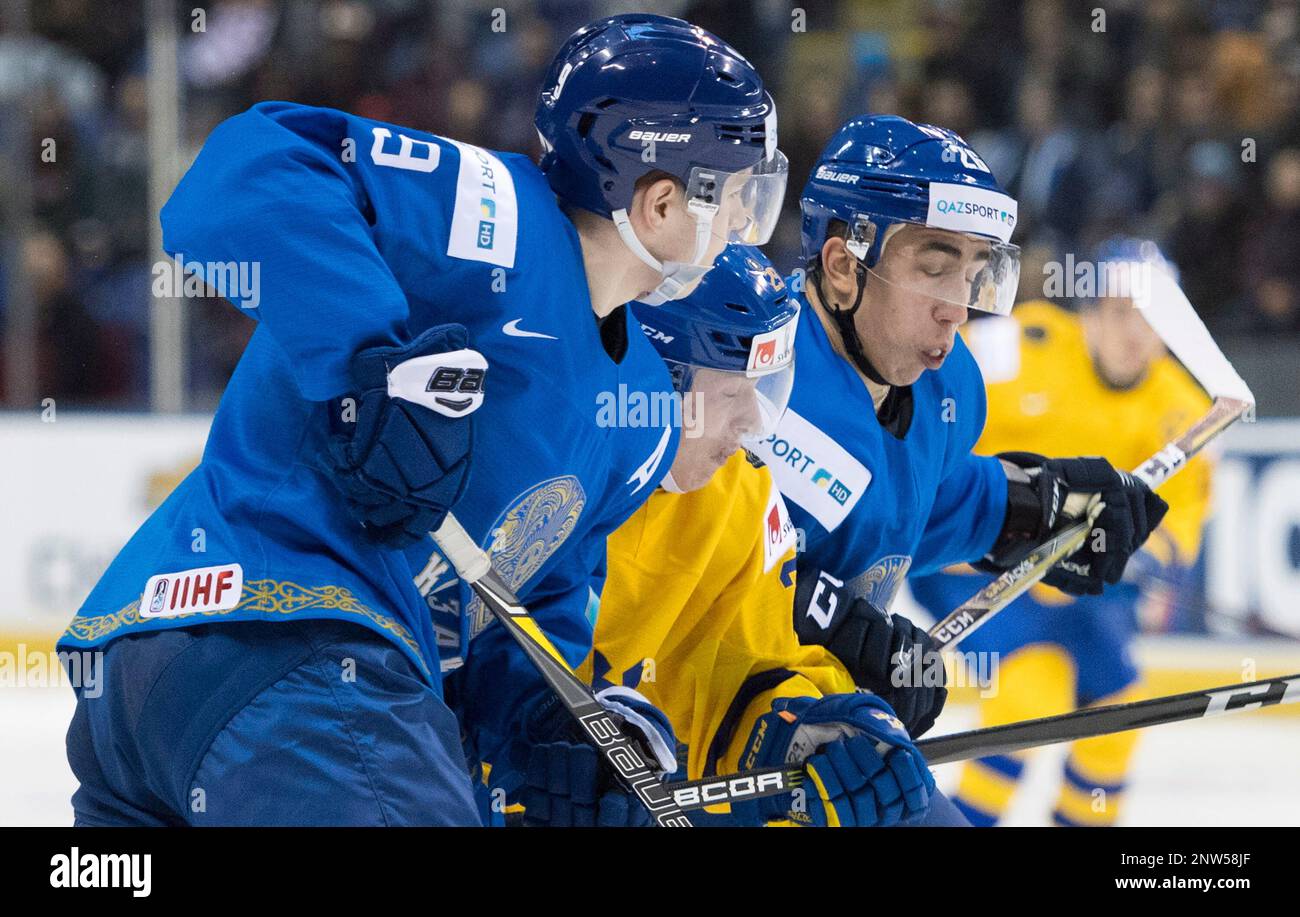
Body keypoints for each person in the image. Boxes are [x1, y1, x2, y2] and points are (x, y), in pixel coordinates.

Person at [59, 14, 787, 826]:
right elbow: (239, 174)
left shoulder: (641, 421)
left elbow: (533, 617)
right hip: (288, 645)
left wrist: (560, 737)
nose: (738, 229)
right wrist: (370, 366)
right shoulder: (497, 218)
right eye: (736, 195)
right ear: (659, 201)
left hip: (154, 691)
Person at [748, 115, 1167, 753]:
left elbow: (903, 505)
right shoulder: (742, 375)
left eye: (973, 272)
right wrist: (827, 623)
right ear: (841, 267)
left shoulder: (951, 388)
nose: (959, 306)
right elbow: (692, 563)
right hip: (701, 743)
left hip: (824, 730)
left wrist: (1034, 509)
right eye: (934, 268)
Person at [508, 244, 938, 827]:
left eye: (763, 390)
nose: (753, 425)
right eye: (735, 392)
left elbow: (743, 669)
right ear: (659, 377)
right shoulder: (533, 465)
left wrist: (801, 732)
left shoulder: (739, 496)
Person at [909, 239, 1213, 826]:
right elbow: (922, 394)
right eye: (1124, 312)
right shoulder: (1018, 348)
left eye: (1155, 317)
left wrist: (1142, 557)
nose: (1138, 332)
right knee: (1032, 697)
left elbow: (1181, 523)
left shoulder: (1183, 409)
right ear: (1091, 312)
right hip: (973, 562)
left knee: (1118, 720)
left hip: (1075, 584)